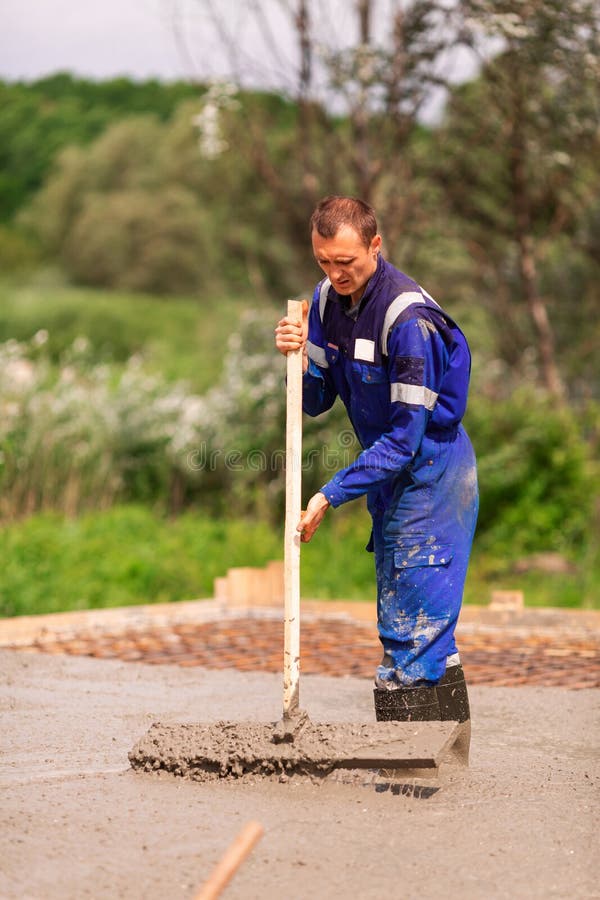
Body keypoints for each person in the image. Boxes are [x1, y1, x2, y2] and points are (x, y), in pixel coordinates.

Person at [275, 196, 478, 744]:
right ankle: (445, 774)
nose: (336, 274)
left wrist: (328, 494)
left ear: (375, 245)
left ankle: (409, 778)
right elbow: (315, 400)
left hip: (433, 475)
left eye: (347, 262)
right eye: (324, 262)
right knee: (419, 632)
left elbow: (405, 440)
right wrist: (296, 357)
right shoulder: (323, 302)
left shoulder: (408, 320)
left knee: (410, 636)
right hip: (391, 480)